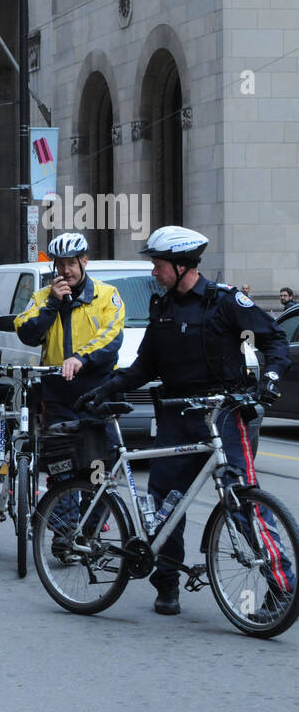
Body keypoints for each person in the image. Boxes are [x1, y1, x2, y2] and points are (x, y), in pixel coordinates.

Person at [77, 226, 292, 616]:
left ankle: (281, 589)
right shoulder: (162, 308)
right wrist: (105, 390)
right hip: (175, 416)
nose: (153, 272)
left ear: (181, 266)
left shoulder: (226, 301)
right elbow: (144, 367)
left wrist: (271, 378)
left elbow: (274, 338)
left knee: (242, 499)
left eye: (158, 264)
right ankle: (167, 583)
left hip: (222, 415)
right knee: (164, 502)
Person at [13, 232, 125, 430]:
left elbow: (111, 336)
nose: (66, 270)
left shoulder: (107, 295)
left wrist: (80, 358)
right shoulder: (42, 297)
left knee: (97, 447)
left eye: (72, 263)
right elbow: (26, 332)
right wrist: (52, 304)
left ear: (84, 261)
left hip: (96, 390)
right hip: (57, 393)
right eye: (60, 264)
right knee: (58, 447)